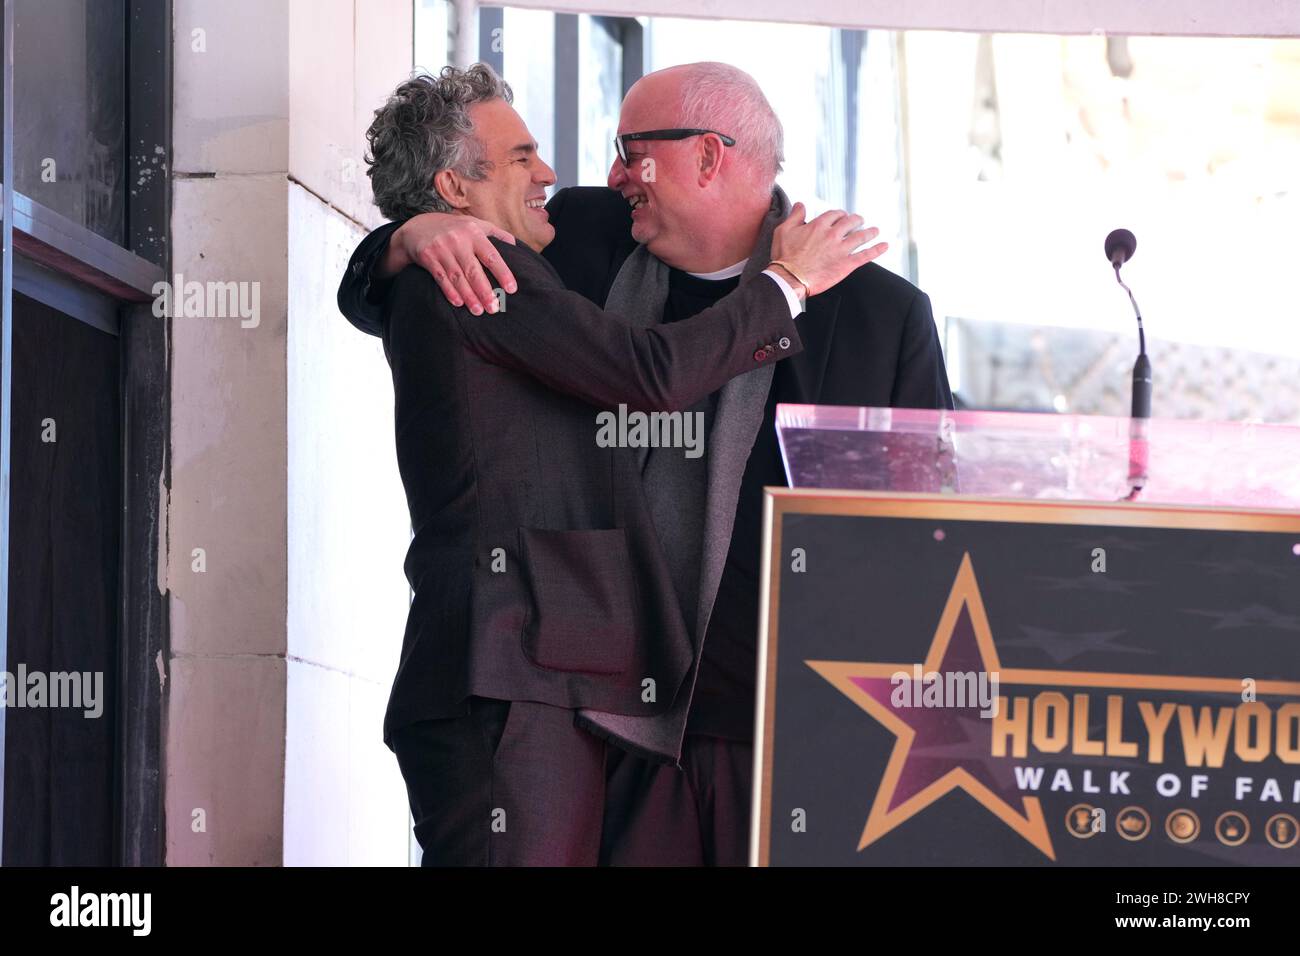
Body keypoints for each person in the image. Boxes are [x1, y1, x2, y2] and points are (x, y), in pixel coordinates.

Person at [360, 63, 885, 865]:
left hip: (559, 680)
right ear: (454, 190)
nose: (553, 175)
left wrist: (409, 234)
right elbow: (647, 374)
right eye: (522, 158)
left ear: (712, 157)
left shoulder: (506, 254)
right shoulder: (483, 275)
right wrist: (785, 285)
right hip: (506, 672)